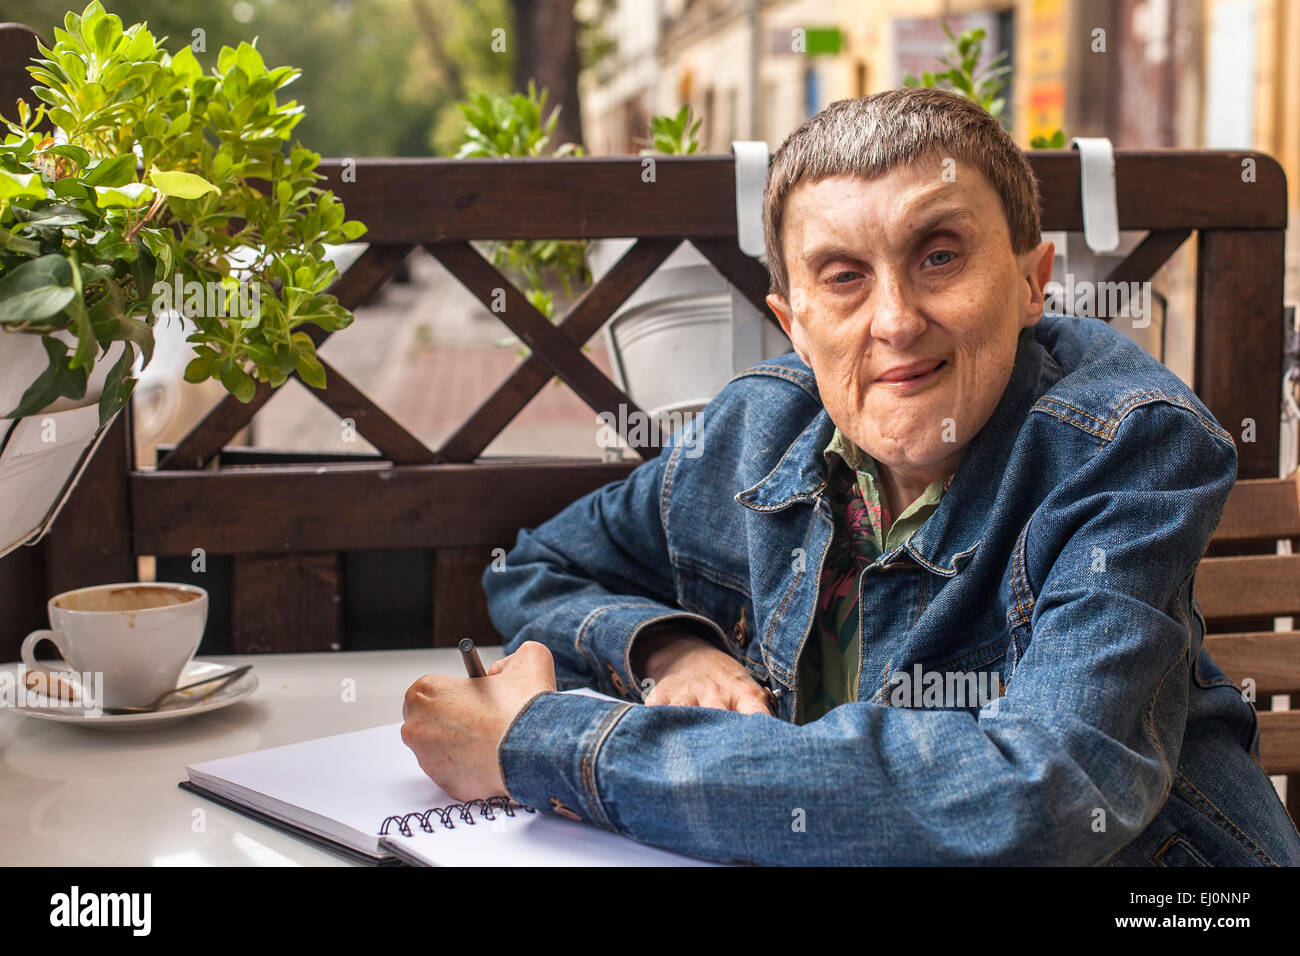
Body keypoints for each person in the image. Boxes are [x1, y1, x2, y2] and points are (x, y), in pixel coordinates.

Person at [399, 87, 1300, 865]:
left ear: (1033, 282)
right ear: (792, 323)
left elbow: (1043, 792)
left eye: (939, 255)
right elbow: (536, 569)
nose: (896, 321)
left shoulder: (1126, 449)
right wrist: (668, 646)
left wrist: (545, 744)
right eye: (843, 277)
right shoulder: (757, 431)